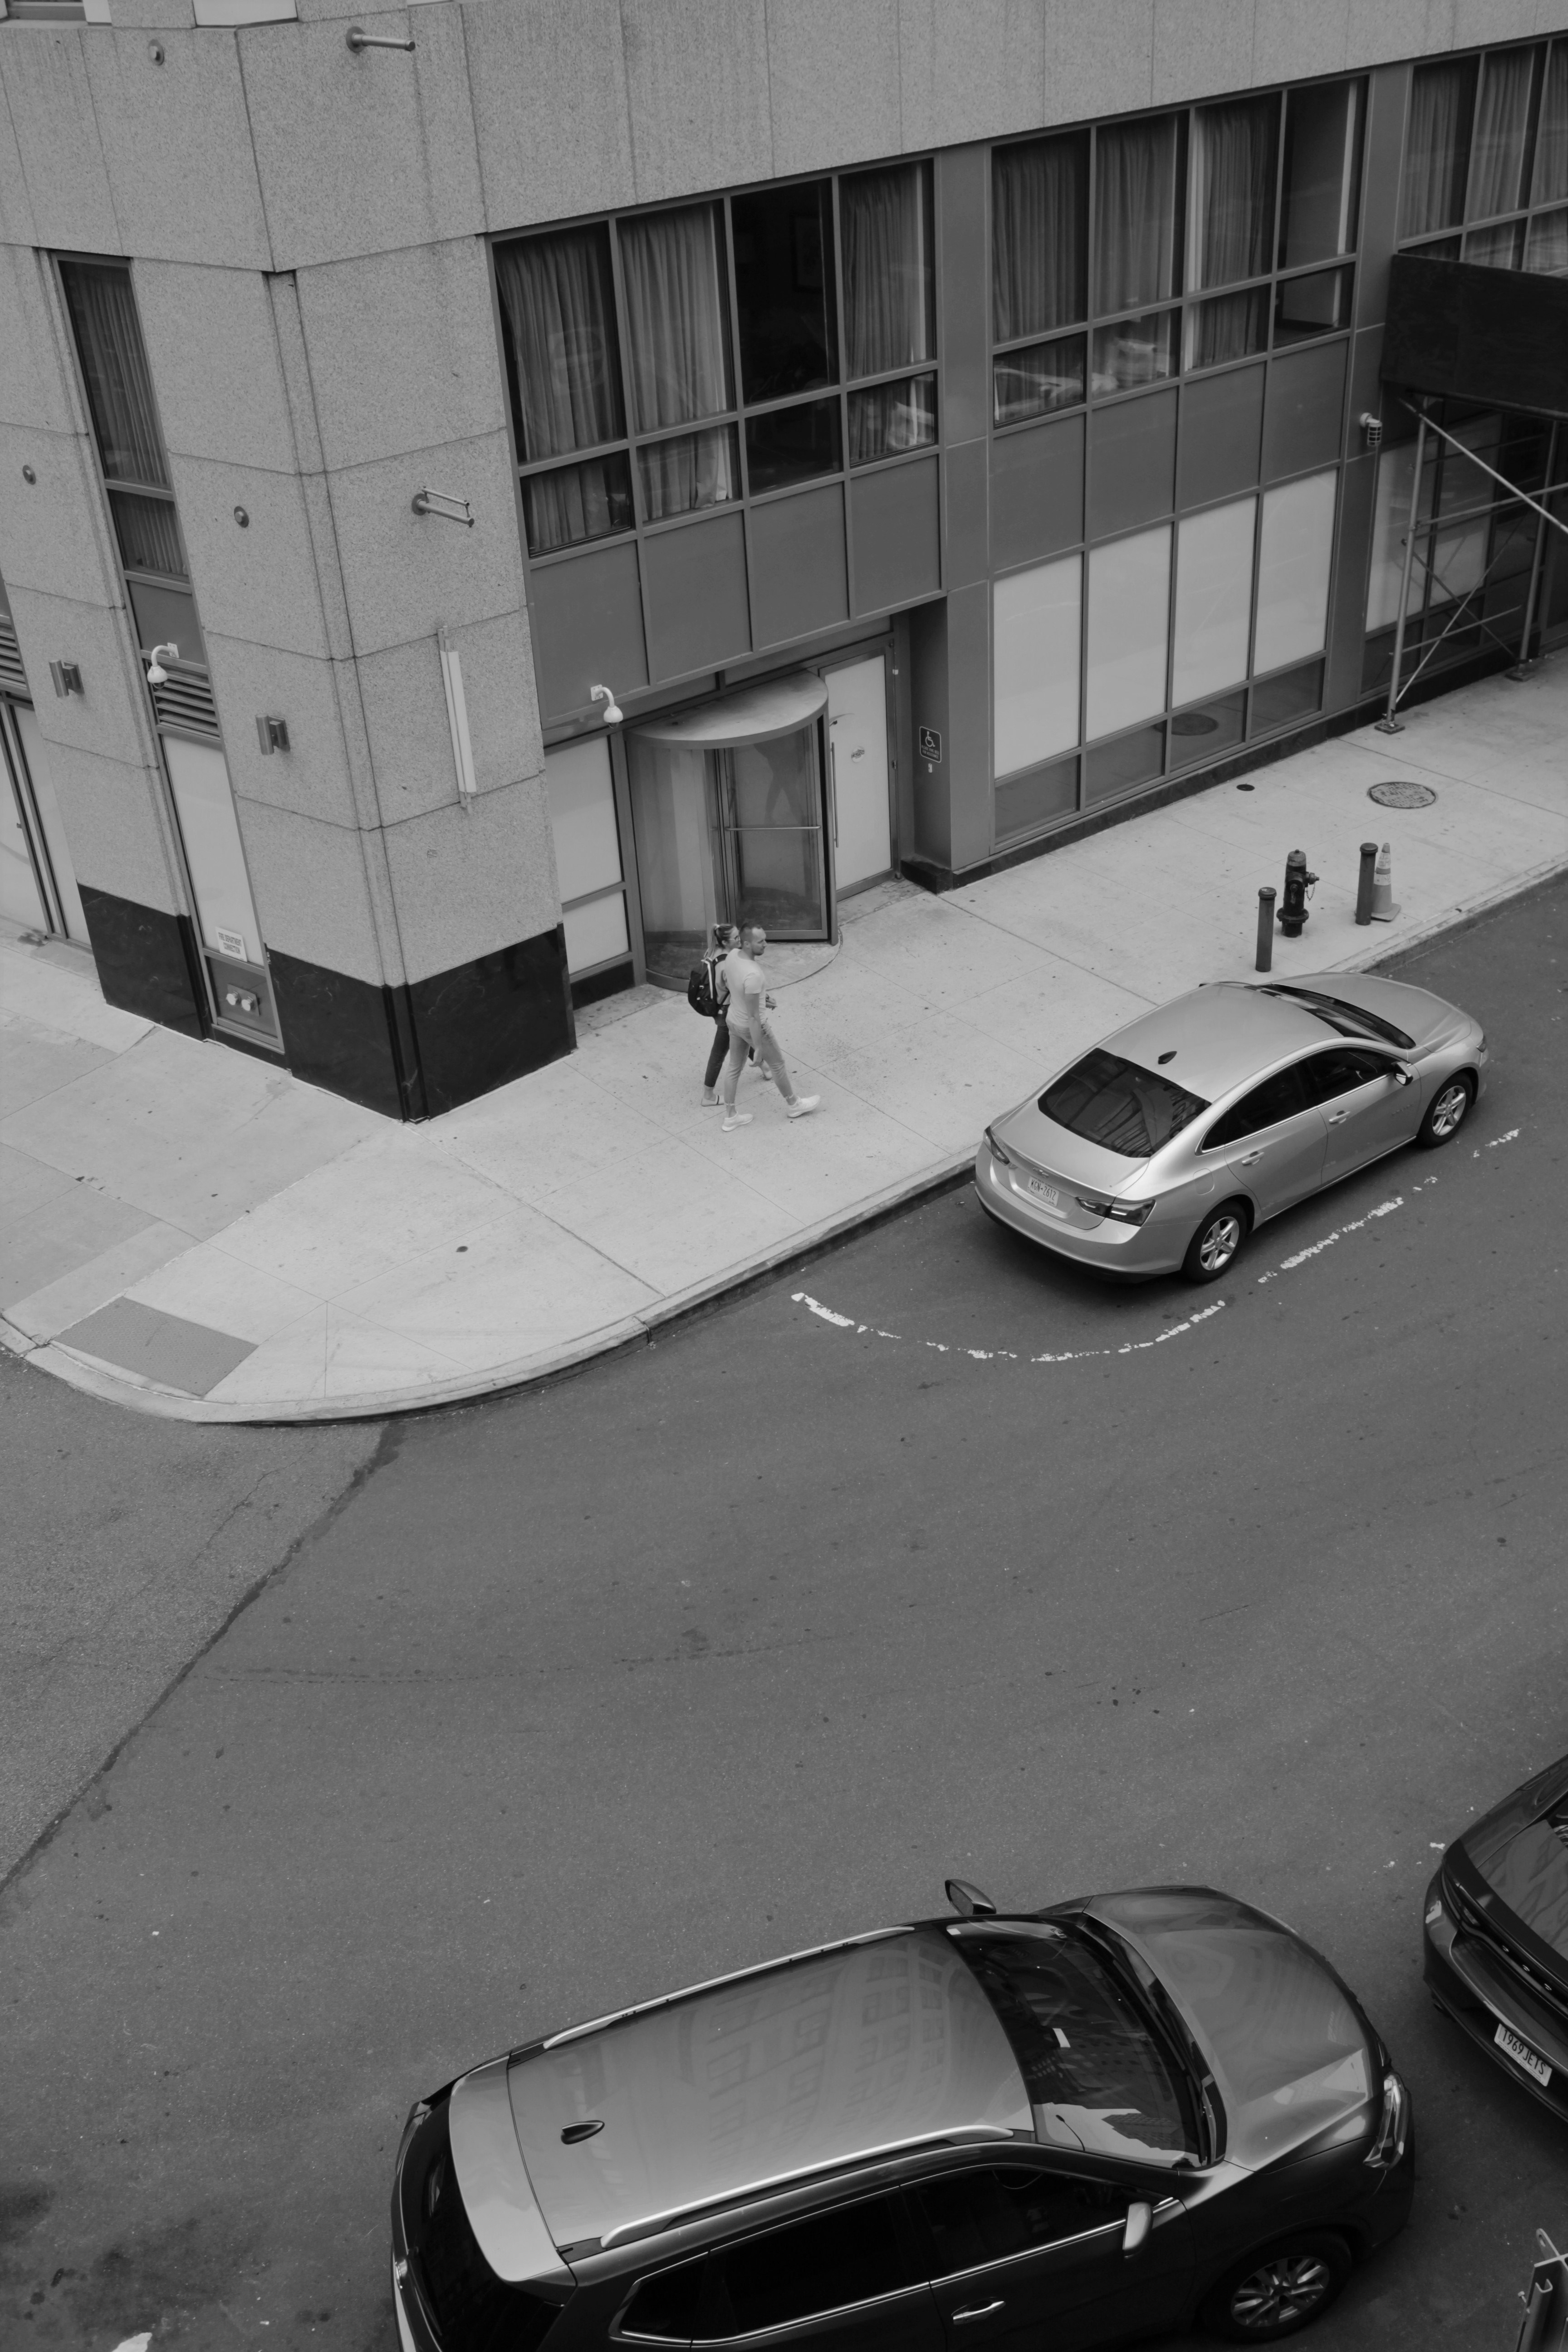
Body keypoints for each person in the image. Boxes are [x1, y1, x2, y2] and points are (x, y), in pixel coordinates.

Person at [717, 924, 821, 1132]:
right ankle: (794, 1105)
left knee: (734, 1068)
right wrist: (758, 1048)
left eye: (765, 939)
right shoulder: (754, 974)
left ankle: (730, 1117)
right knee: (778, 1065)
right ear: (747, 944)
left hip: (733, 1021)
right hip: (751, 1026)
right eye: (761, 941)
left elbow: (733, 986)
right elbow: (754, 1017)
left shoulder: (732, 956)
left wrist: (762, 999)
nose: (766, 944)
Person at [700, 924, 740, 1106]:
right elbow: (738, 990)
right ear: (725, 942)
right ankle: (708, 1096)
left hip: (718, 1008)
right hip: (727, 1011)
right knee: (719, 1054)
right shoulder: (726, 964)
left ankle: (764, 1066)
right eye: (736, 938)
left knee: (742, 1036)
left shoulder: (712, 952)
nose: (740, 940)